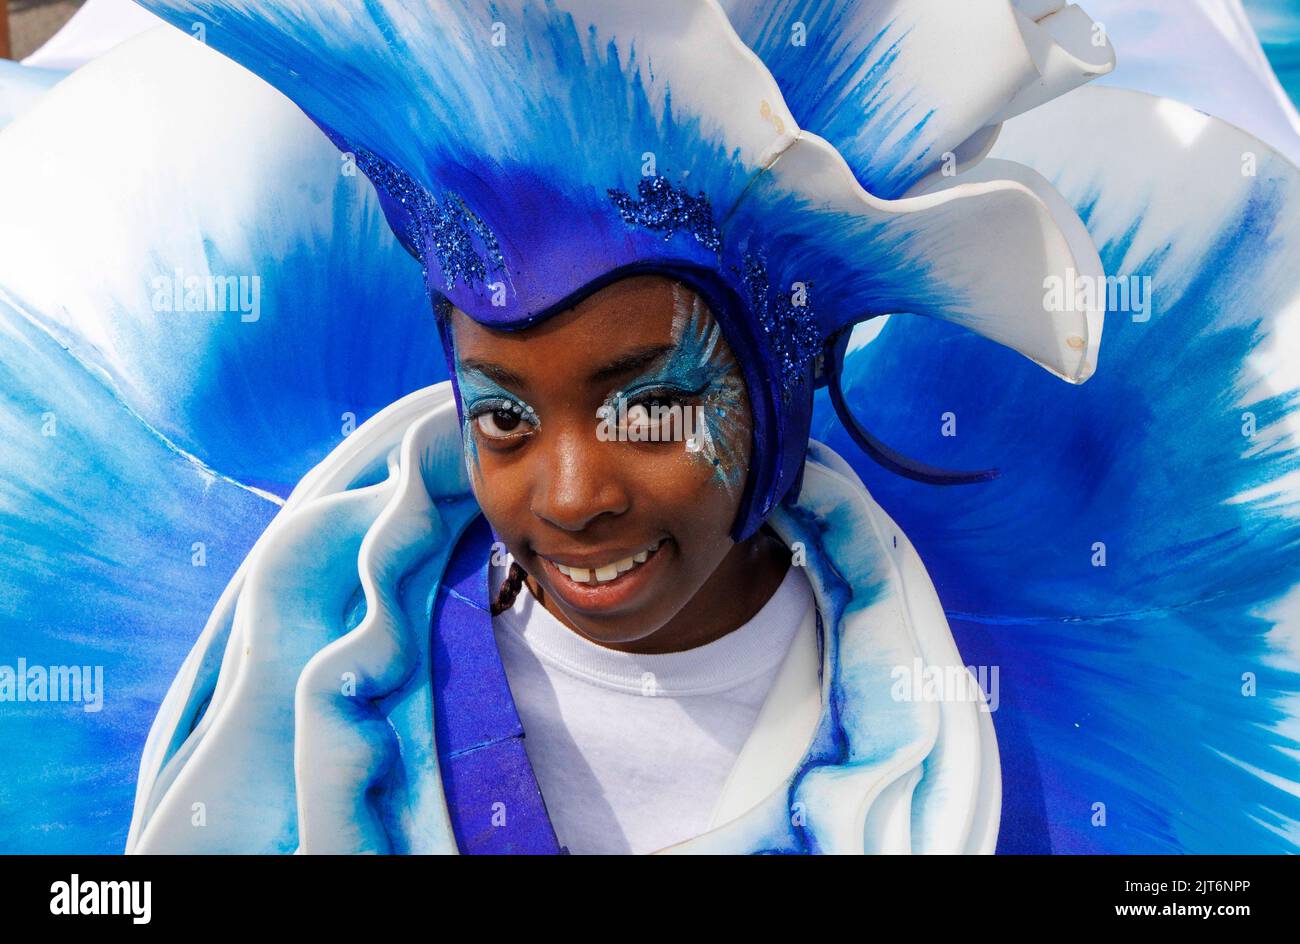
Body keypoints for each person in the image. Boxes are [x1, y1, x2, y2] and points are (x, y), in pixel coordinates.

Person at [3, 0, 1299, 855]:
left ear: (778, 395)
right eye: (503, 415)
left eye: (653, 404)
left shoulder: (1061, 732)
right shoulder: (252, 685)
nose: (572, 491)